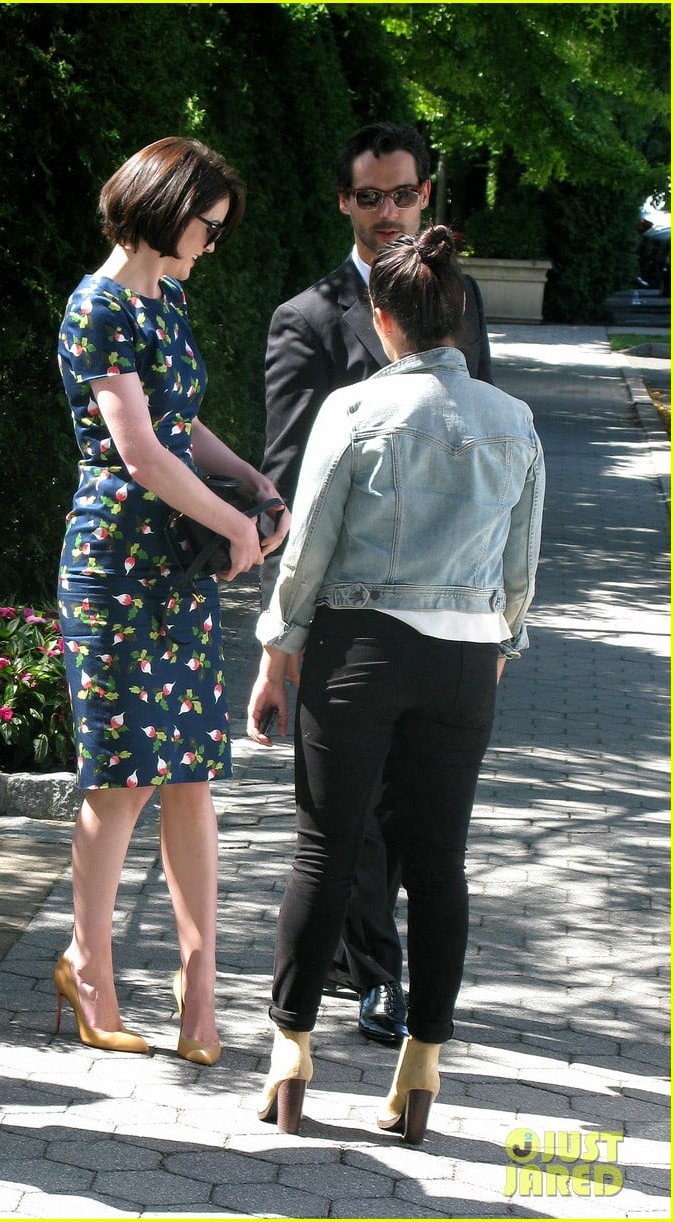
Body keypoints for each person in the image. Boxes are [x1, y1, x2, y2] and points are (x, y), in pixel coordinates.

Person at [248, 225, 545, 1139]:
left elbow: (309, 553)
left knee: (323, 850)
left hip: (359, 650)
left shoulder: (352, 410)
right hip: (464, 662)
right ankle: (420, 1069)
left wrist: (276, 652)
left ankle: (291, 1055)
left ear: (382, 320)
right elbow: (521, 565)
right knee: (439, 863)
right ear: (456, 314)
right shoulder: (513, 420)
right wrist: (500, 641)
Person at [55, 137, 289, 1066]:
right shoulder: (97, 305)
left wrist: (250, 480)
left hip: (174, 566)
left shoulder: (167, 297)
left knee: (189, 773)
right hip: (114, 563)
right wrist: (235, 531)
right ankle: (91, 970)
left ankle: (199, 993)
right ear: (164, 206)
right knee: (119, 778)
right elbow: (140, 454)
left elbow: (180, 422)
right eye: (209, 225)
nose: (213, 243)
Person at [260, 121, 494, 1047]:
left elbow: (487, 435)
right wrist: (285, 627)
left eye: (401, 194)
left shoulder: (458, 295)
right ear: (344, 203)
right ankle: (376, 975)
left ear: (425, 197)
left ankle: (376, 977)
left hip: (451, 616)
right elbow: (284, 473)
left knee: (414, 812)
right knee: (344, 820)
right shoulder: (308, 319)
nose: (387, 211)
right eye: (369, 197)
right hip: (344, 608)